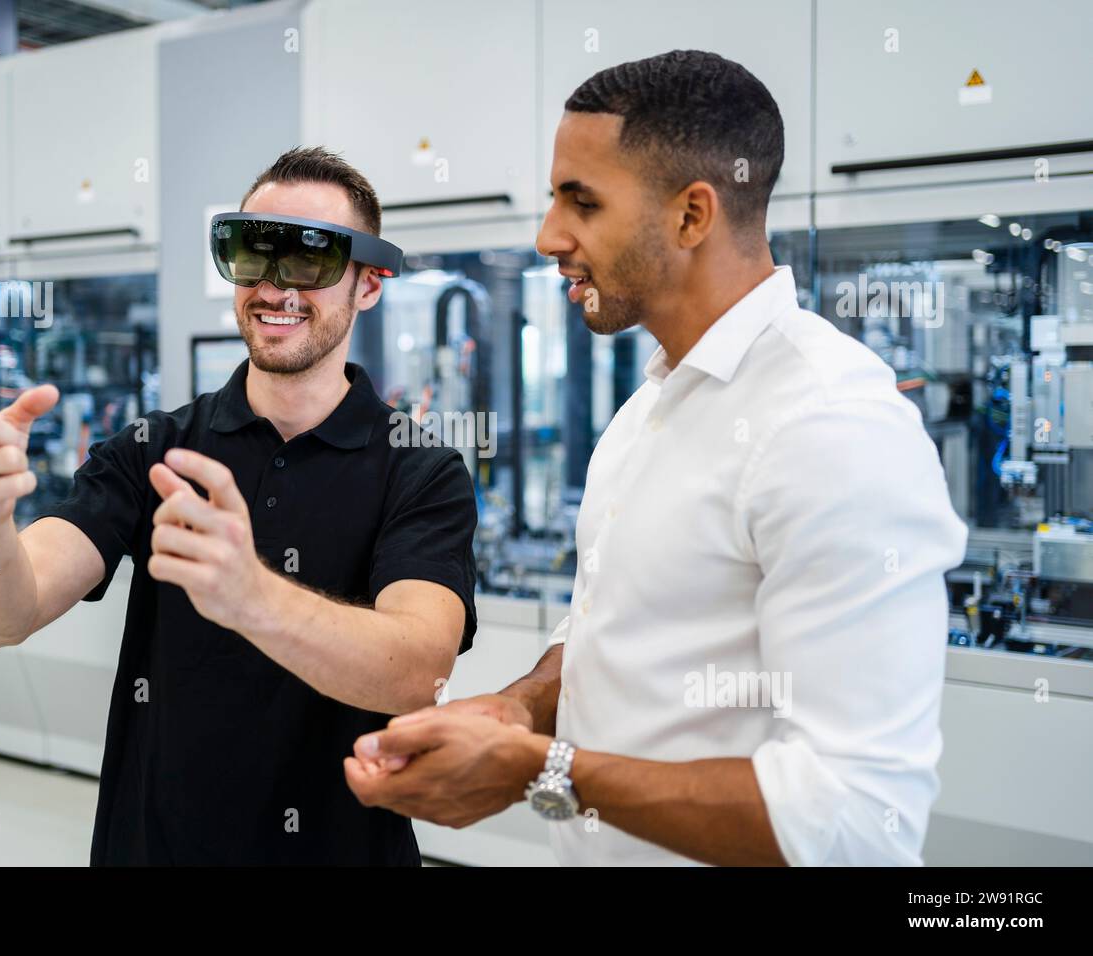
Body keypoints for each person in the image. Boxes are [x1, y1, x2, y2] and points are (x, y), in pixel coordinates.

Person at [344, 51, 968, 866]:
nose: (547, 237)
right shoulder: (648, 412)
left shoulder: (832, 426)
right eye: (552, 197)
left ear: (691, 216)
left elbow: (851, 823)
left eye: (583, 202)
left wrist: (546, 769)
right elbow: (617, 638)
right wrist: (520, 711)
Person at [0, 146, 478, 865]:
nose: (275, 287)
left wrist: (250, 595)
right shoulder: (153, 446)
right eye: (255, 253)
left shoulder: (422, 469)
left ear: (369, 286)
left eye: (310, 261)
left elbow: (418, 673)